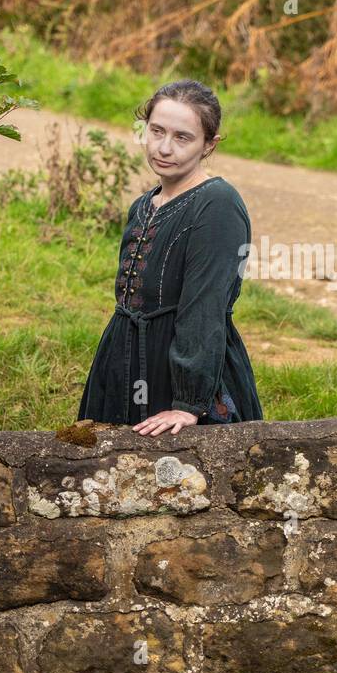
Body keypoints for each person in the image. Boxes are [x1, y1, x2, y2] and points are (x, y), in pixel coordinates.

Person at [77, 79, 263, 436]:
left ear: (209, 145)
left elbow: (205, 305)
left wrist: (189, 404)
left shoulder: (218, 204)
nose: (164, 147)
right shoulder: (144, 204)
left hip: (180, 370)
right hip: (124, 357)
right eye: (156, 131)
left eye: (182, 137)